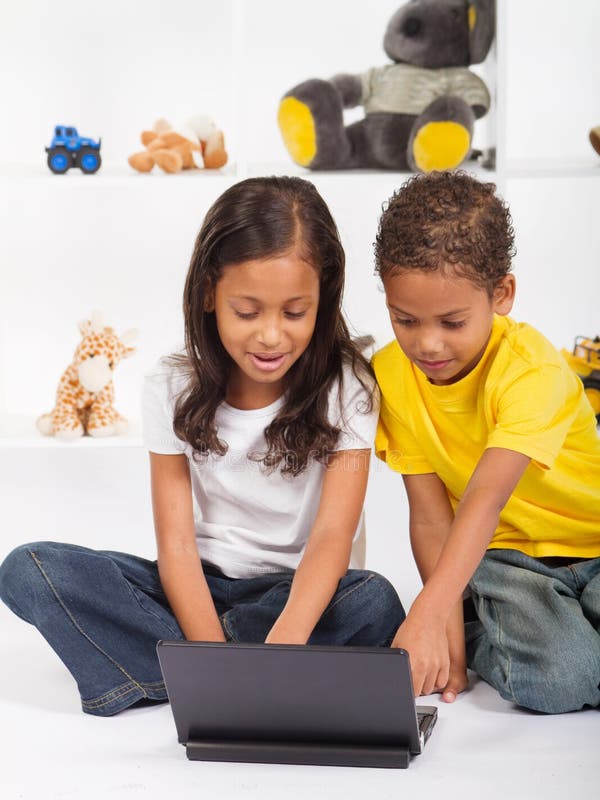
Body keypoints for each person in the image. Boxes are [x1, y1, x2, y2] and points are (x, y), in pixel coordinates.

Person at [0, 176, 403, 716]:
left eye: (294, 312)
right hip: (197, 591)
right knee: (28, 569)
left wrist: (283, 645)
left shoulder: (347, 386)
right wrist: (213, 656)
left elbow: (333, 537)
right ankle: (218, 663)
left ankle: (176, 667)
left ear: (323, 298)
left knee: (373, 601)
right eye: (248, 310)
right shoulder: (170, 384)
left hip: (300, 596)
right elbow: (178, 547)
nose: (270, 336)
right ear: (211, 291)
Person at [372, 170, 600, 715]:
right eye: (405, 319)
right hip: (504, 557)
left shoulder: (530, 370)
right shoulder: (392, 374)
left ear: (502, 294)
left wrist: (425, 610)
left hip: (594, 545)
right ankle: (484, 623)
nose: (427, 344)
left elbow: (484, 495)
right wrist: (442, 630)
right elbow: (431, 516)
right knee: (559, 684)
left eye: (452, 322)